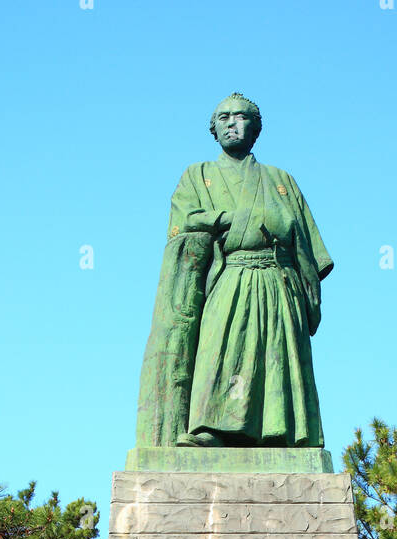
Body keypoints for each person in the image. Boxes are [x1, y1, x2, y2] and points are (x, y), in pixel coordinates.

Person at [135, 93, 333, 448]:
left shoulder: (279, 179)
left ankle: (278, 431)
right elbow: (183, 223)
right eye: (223, 117)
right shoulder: (197, 175)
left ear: (255, 128)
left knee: (273, 356)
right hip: (227, 276)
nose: (231, 123)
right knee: (219, 349)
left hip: (275, 279)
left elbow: (306, 243)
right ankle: (212, 427)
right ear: (213, 129)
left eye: (240, 117)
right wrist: (227, 219)